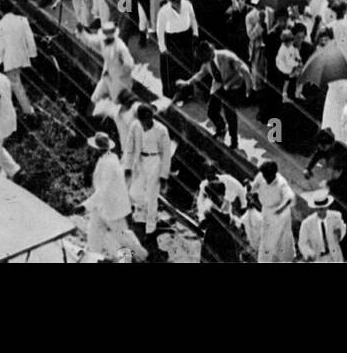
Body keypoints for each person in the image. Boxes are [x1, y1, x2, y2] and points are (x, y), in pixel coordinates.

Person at [175, 40, 252, 149]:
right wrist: (187, 82)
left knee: (230, 114)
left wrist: (248, 87)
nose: (207, 61)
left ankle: (234, 141)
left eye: (208, 57)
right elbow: (200, 74)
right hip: (219, 85)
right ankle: (221, 128)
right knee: (212, 111)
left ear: (211, 51)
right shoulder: (207, 62)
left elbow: (244, 69)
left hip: (232, 85)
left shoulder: (226, 56)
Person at [84, 130, 148, 262]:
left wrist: (85, 205)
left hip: (113, 207)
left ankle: (141, 256)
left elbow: (103, 190)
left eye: (93, 148)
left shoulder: (109, 163)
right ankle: (92, 255)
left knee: (123, 237)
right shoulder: (107, 158)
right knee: (94, 230)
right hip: (102, 206)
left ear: (98, 149)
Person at [123, 102, 172, 251]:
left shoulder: (161, 130)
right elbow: (129, 147)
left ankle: (150, 229)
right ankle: (140, 218)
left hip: (155, 162)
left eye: (145, 120)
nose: (143, 124)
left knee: (152, 197)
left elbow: (166, 154)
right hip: (140, 161)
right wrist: (128, 166)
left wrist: (164, 175)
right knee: (135, 192)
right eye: (141, 120)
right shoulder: (135, 126)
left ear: (151, 117)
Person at [251, 159, 296, 263]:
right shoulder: (261, 176)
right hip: (267, 211)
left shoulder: (281, 183)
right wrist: (251, 191)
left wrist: (280, 209)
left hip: (280, 215)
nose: (265, 177)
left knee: (282, 240)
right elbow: (255, 185)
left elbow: (290, 198)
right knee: (266, 240)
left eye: (267, 175)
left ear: (273, 174)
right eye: (264, 175)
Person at [297, 189, 347, 263]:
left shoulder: (336, 216)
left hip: (335, 256)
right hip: (318, 258)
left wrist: (340, 233)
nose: (321, 210)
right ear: (315, 208)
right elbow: (302, 243)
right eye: (319, 208)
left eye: (323, 208)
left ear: (327, 206)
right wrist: (309, 253)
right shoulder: (306, 224)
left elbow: (342, 228)